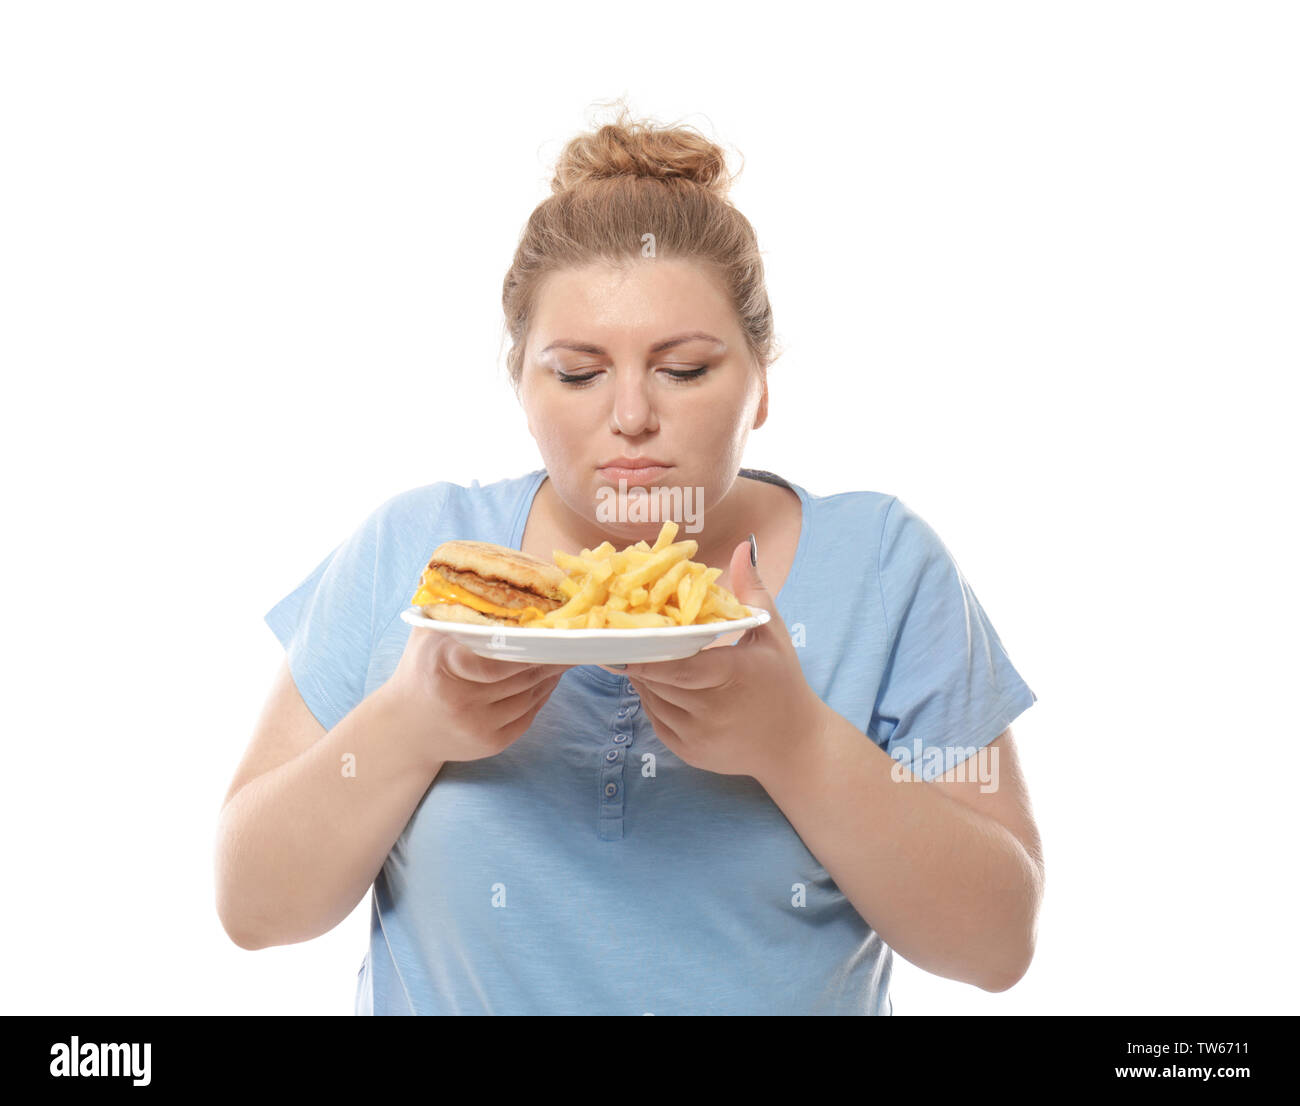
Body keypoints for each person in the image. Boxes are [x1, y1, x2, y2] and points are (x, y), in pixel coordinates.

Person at [215, 106, 1044, 1015]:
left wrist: (795, 744)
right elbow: (254, 911)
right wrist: (410, 723)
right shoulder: (418, 557)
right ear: (522, 387)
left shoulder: (884, 565)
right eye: (578, 373)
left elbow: (996, 946)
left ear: (760, 383)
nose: (633, 417)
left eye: (684, 369)